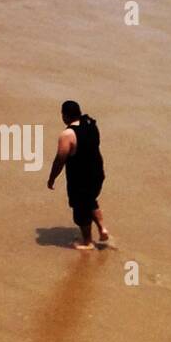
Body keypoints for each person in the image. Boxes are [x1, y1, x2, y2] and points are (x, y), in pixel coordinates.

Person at [47, 100, 110, 251]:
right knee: (90, 200)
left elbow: (60, 159)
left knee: (80, 209)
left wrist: (52, 178)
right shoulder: (91, 124)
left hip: (80, 178)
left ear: (65, 116)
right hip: (98, 173)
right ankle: (102, 229)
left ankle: (87, 242)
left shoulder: (67, 134)